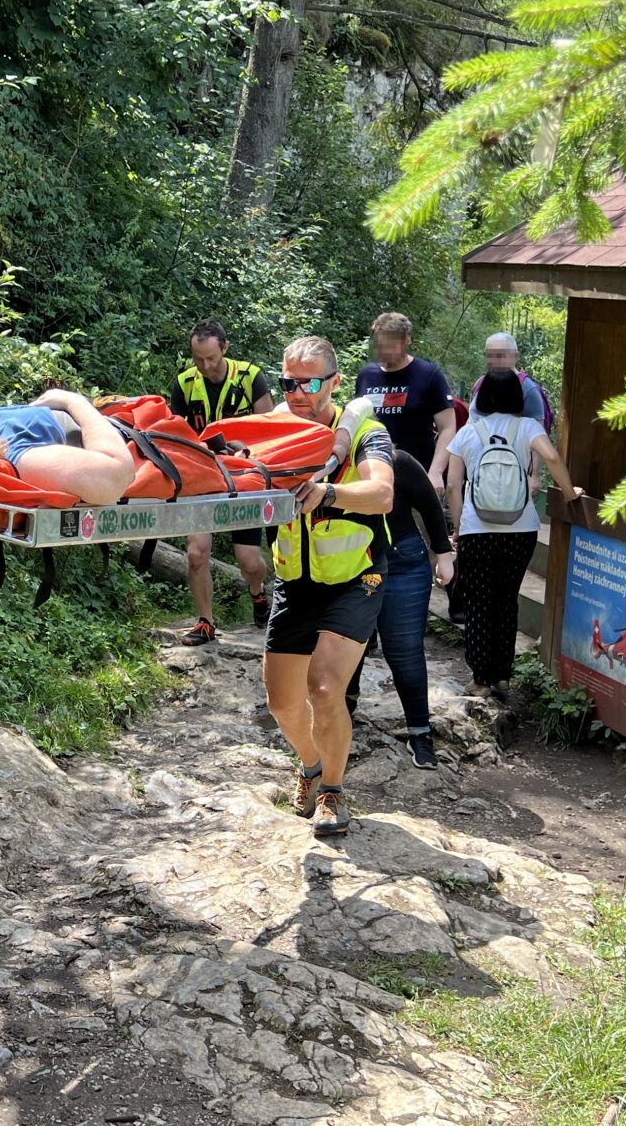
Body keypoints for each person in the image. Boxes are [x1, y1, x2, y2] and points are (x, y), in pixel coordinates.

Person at [262, 337, 395, 837]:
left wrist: (328, 493)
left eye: (310, 382)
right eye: (288, 381)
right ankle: (312, 767)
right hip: (295, 578)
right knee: (280, 701)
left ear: (334, 382)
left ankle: (334, 793)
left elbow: (382, 494)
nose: (298, 391)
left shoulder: (366, 431)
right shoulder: (277, 431)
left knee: (323, 687)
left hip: (356, 576)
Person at [445, 369, 583, 696]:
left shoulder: (469, 431)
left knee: (478, 603)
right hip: (520, 530)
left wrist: (459, 526)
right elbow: (550, 457)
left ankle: (480, 679)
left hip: (477, 531)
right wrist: (569, 494)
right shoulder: (527, 427)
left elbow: (453, 485)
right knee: (506, 601)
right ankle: (502, 676)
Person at [344, 444, 455, 770]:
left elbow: (431, 506)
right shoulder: (328, 463)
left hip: (403, 562)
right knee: (348, 642)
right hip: (349, 563)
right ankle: (341, 717)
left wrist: (444, 555)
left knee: (404, 649)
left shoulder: (397, 460)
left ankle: (420, 732)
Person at [167, 318, 276, 645]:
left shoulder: (251, 378)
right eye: (198, 358)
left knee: (250, 561)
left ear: (225, 348)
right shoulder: (185, 383)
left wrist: (245, 449)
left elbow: (271, 432)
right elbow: (174, 435)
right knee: (197, 553)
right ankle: (206, 622)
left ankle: (257, 594)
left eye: (211, 358)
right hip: (202, 478)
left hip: (244, 479)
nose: (205, 365)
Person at [0, 389, 135, 505]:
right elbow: (118, 472)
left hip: (109, 406)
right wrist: (74, 401)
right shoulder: (22, 460)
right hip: (119, 427)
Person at [354, 311, 456, 487]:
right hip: (372, 476)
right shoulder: (366, 376)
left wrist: (436, 472)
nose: (384, 352)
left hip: (416, 476)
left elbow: (448, 427)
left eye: (391, 346)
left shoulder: (429, 375)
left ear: (407, 340)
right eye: (380, 345)